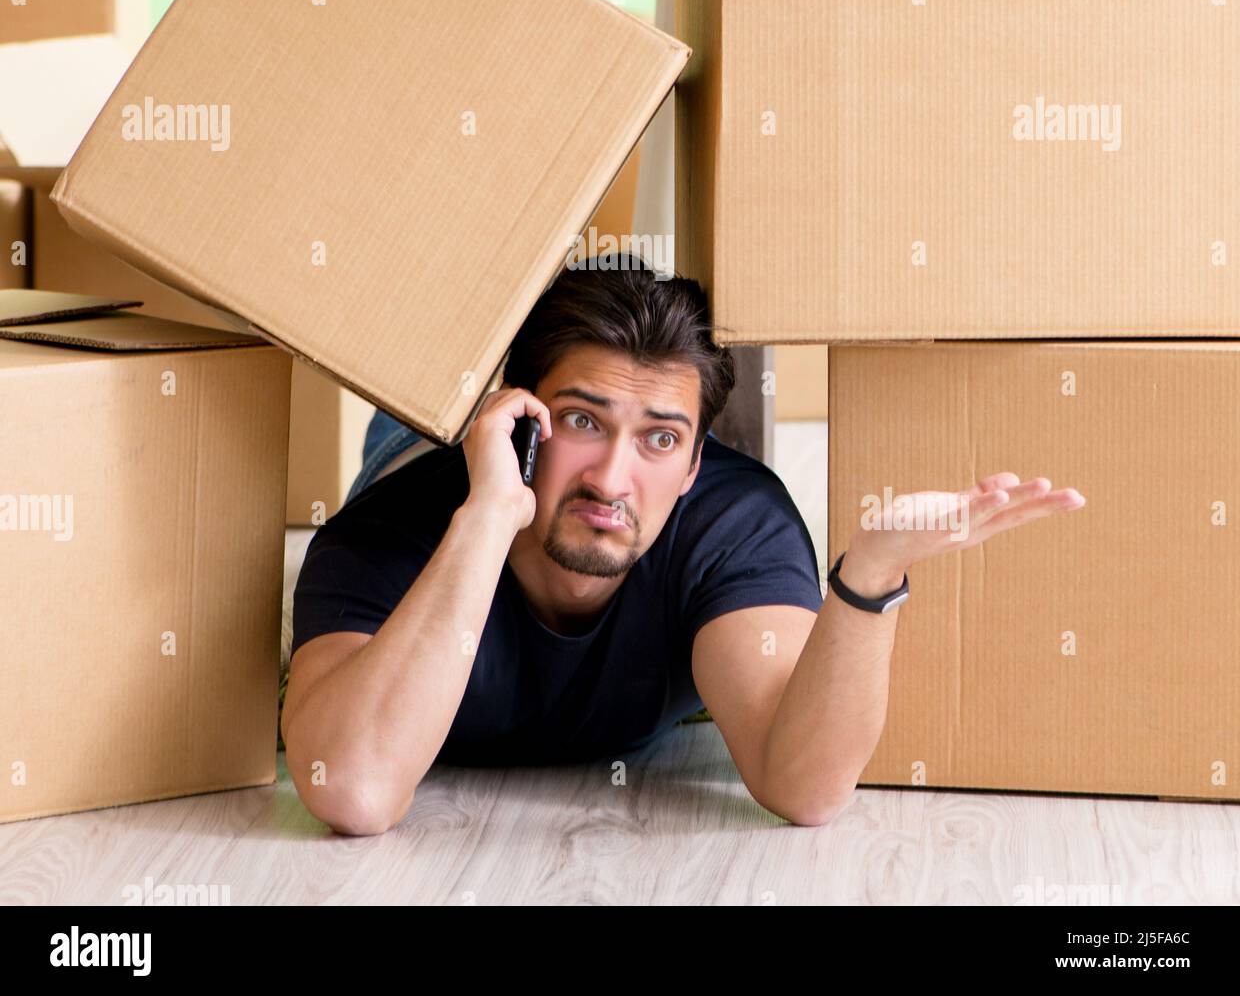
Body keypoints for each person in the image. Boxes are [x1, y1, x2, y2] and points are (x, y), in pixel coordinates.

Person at [282, 252, 1084, 836]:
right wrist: (490, 512)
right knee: (417, 428)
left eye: (659, 440)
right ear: (523, 421)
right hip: (430, 466)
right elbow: (351, 791)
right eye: (581, 422)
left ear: (697, 461)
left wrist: (871, 572)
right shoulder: (383, 536)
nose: (611, 478)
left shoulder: (735, 525)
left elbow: (802, 789)